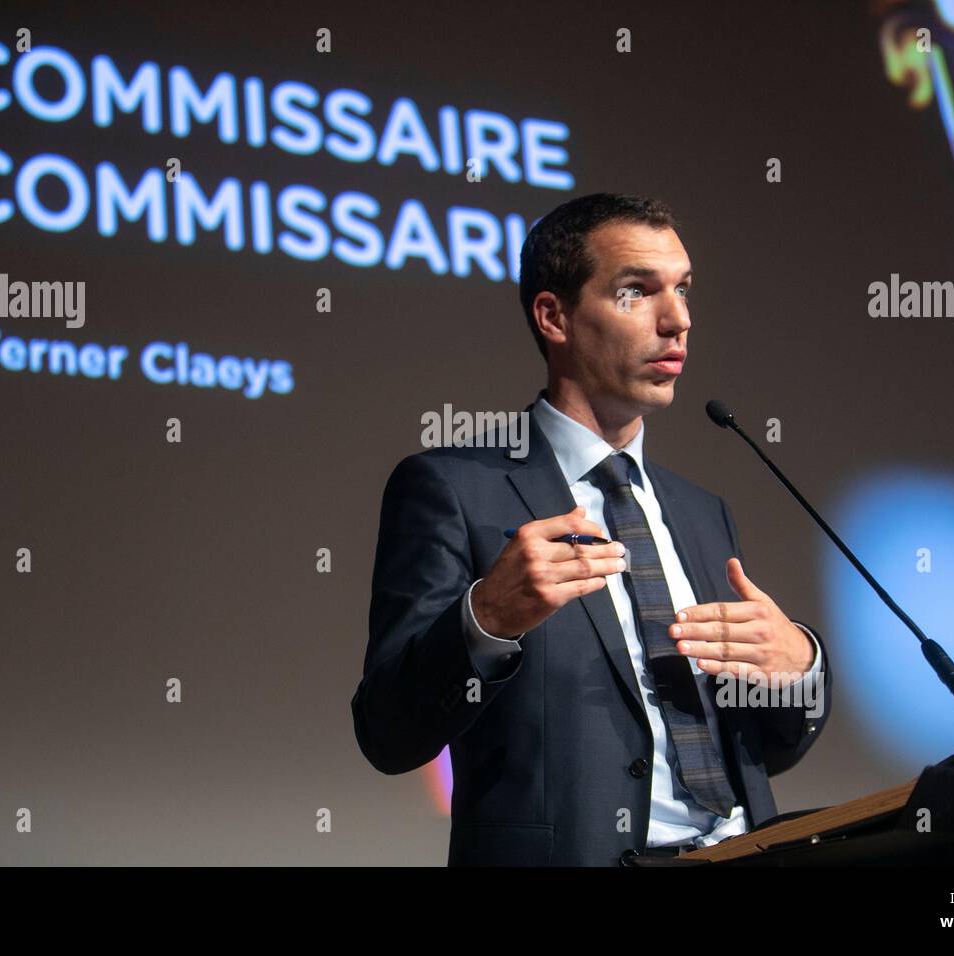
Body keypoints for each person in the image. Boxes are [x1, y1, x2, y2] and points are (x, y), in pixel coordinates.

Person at [352, 193, 831, 866]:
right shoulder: (453, 488)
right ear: (555, 316)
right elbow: (388, 733)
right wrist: (484, 621)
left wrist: (795, 668)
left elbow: (763, 751)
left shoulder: (701, 511)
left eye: (684, 290)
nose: (679, 321)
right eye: (637, 292)